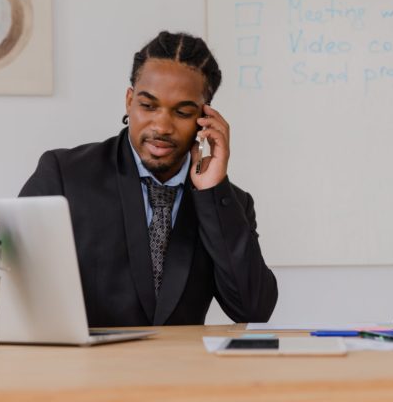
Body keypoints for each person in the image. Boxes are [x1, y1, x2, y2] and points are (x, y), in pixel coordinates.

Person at [20, 31, 278, 326]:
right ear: (129, 101)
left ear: (205, 118)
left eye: (182, 112)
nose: (162, 126)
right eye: (148, 106)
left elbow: (253, 309)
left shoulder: (227, 203)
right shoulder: (65, 176)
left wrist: (213, 192)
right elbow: (13, 283)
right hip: (89, 369)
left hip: (183, 371)